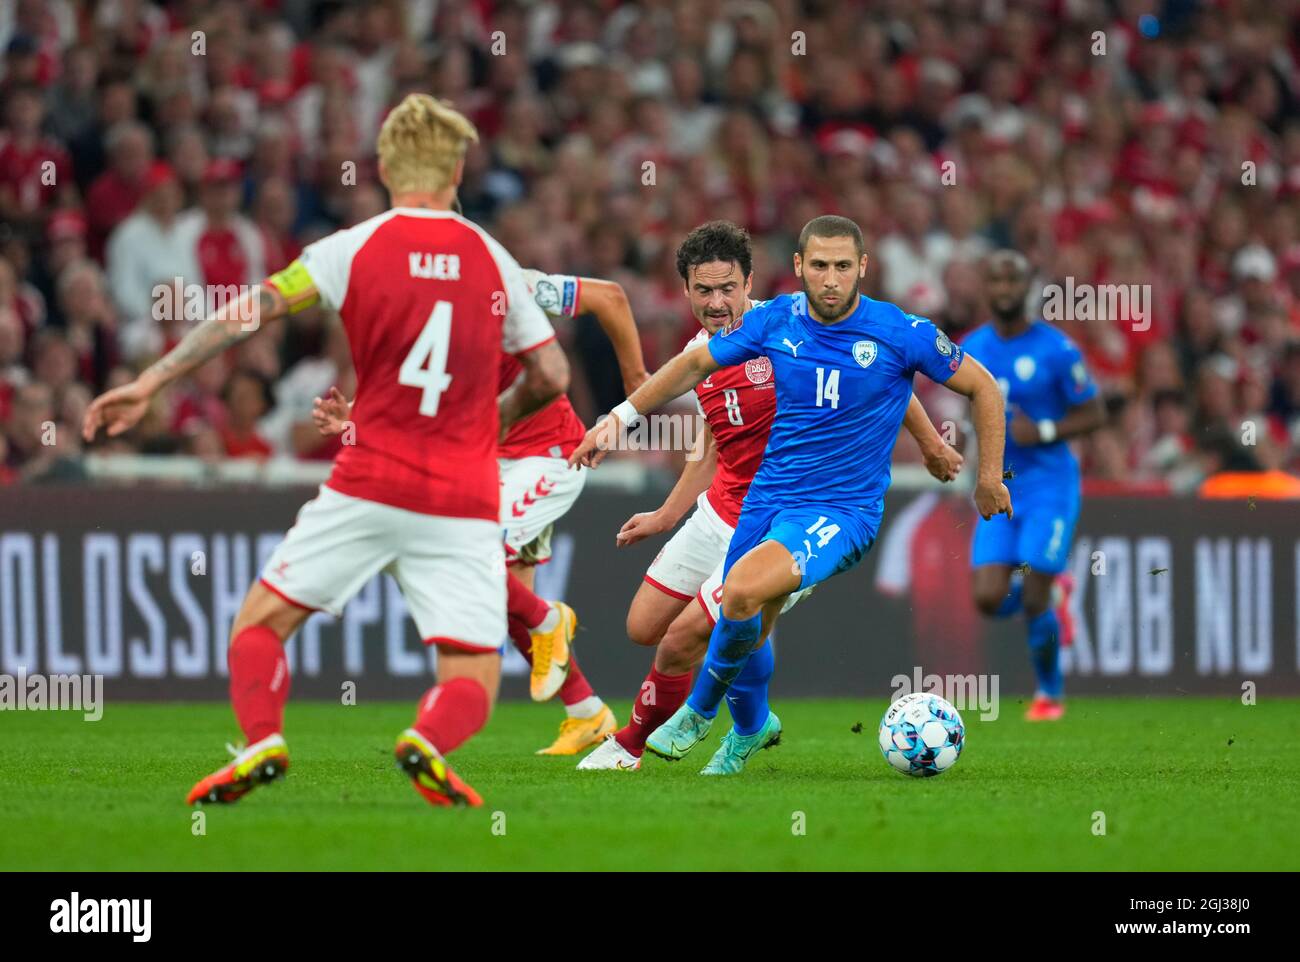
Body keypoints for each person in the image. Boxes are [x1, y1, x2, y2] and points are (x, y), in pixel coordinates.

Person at [83, 94, 569, 808]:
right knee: (472, 672)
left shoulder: (351, 247)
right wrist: (489, 422)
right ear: (458, 167)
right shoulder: (492, 259)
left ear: (382, 167)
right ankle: (427, 740)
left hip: (369, 479)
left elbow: (250, 312)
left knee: (259, 625)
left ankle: (262, 740)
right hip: (462, 494)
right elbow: (552, 375)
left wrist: (152, 378)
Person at [570, 214, 1011, 767]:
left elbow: (882, 379)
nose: (716, 300)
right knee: (659, 625)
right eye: (703, 290)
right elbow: (709, 438)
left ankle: (639, 741)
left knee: (702, 627)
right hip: (742, 504)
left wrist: (939, 448)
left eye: (727, 287)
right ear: (684, 290)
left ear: (750, 283)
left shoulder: (833, 330)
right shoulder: (748, 336)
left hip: (820, 508)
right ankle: (752, 724)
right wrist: (662, 504)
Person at [312, 266, 650, 755]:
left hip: (551, 456)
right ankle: (586, 712)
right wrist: (352, 425)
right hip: (491, 465)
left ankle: (549, 622)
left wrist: (637, 391)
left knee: (474, 559)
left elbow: (611, 296)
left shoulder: (505, 284)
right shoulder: (408, 331)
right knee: (501, 597)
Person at [962, 250, 1105, 721]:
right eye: (996, 280)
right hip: (1000, 483)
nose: (1004, 289)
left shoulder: (1057, 349)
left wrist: (1042, 430)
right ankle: (1052, 597)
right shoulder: (973, 347)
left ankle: (1049, 695)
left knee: (1036, 595)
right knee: (987, 597)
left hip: (1048, 483)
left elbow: (1094, 412)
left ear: (1028, 286)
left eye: (1013, 280)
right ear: (987, 288)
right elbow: (968, 408)